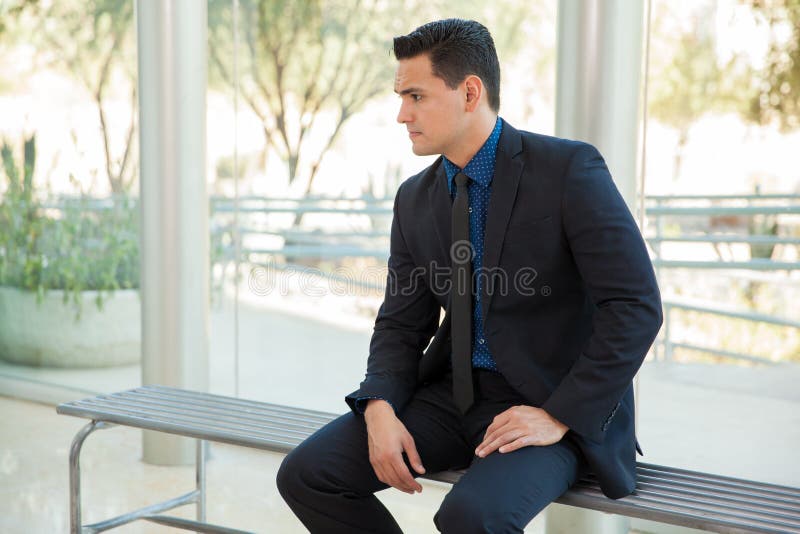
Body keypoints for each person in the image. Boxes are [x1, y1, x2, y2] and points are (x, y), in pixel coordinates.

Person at [277, 18, 662, 533]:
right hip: (449, 396)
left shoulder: (568, 170)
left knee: (470, 517)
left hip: (548, 403)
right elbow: (400, 322)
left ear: (469, 92)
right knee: (308, 474)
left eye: (415, 96)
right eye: (400, 97)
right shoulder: (414, 198)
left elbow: (635, 307)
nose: (401, 114)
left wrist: (558, 415)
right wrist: (379, 406)